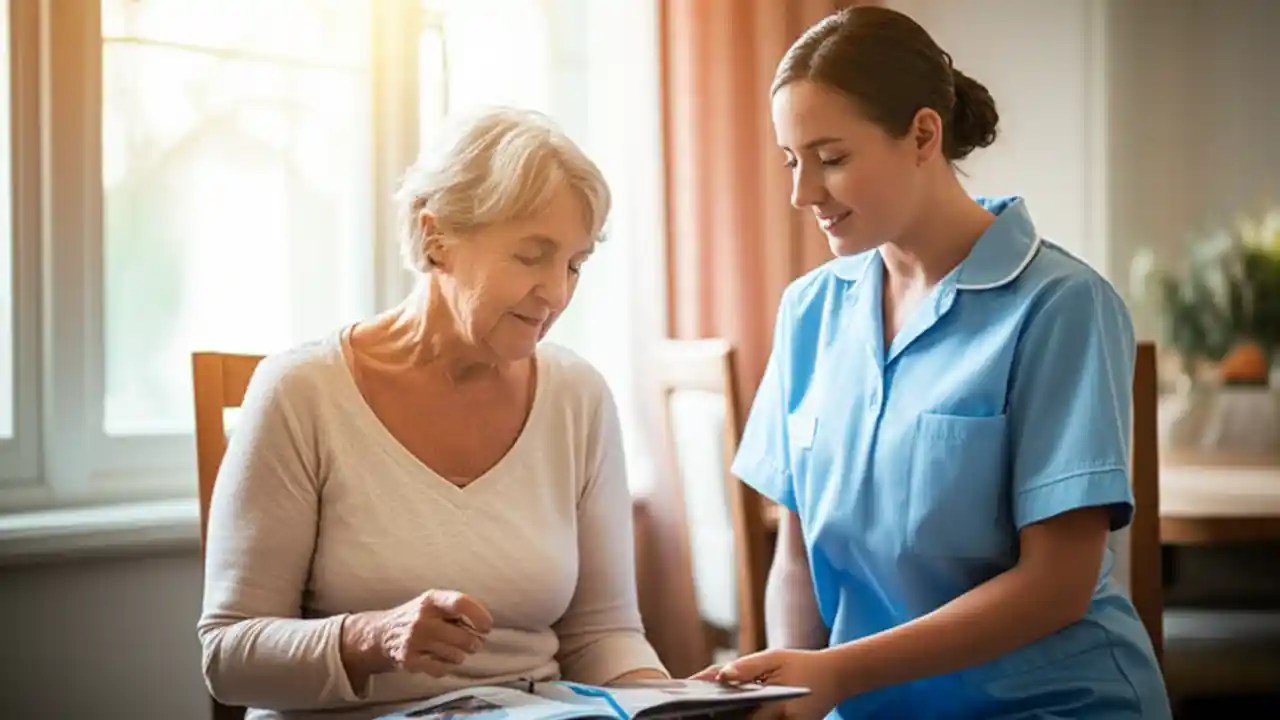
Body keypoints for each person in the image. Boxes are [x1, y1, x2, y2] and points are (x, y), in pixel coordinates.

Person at [696, 6, 1170, 719]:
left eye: (831, 158)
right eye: (792, 162)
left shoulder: (1062, 306)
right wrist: (797, 697)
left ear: (923, 134)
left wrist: (840, 674)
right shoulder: (810, 312)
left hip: (1052, 706)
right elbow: (796, 561)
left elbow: (1058, 584)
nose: (803, 194)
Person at [198, 108, 666, 720]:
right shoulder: (301, 392)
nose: (556, 292)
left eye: (574, 264)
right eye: (531, 256)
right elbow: (229, 658)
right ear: (436, 236)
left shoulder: (578, 396)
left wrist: (673, 704)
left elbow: (602, 635)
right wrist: (370, 639)